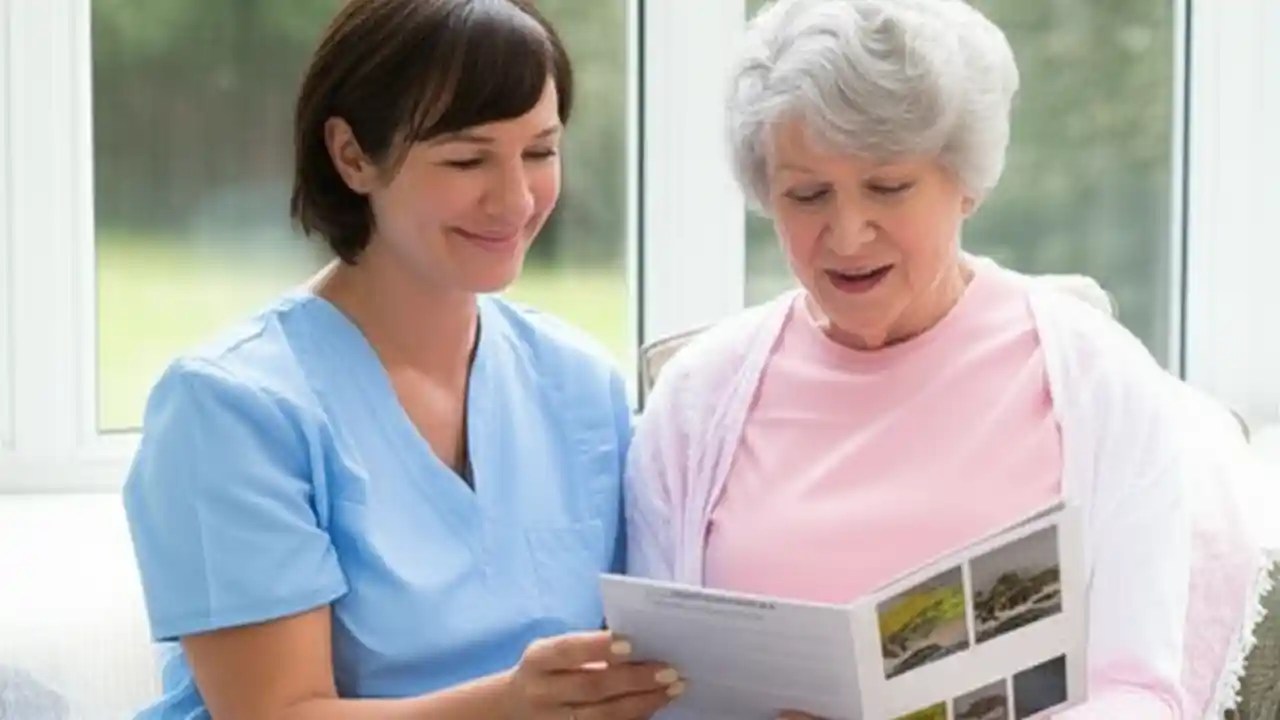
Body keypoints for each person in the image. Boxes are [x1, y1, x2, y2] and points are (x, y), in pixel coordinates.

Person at [624, 0, 1271, 718]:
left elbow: (1140, 692)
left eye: (888, 187)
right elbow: (655, 689)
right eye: (807, 195)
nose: (846, 234)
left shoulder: (1097, 378)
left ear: (965, 183)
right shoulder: (695, 400)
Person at [122, 1, 684, 718]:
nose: (515, 199)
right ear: (352, 155)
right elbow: (275, 711)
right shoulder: (230, 407)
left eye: (540, 152)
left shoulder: (579, 382)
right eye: (466, 158)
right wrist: (507, 706)